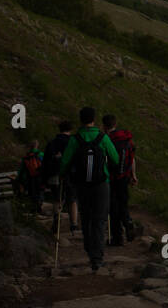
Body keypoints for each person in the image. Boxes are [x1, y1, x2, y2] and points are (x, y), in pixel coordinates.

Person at [58, 106, 119, 273]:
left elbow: (65, 162)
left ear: (80, 120)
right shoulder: (103, 137)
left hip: (82, 184)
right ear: (94, 119)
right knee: (99, 220)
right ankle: (97, 259)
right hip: (101, 184)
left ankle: (88, 249)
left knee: (86, 218)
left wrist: (62, 174)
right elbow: (115, 159)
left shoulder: (75, 139)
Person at [103, 114, 137, 246]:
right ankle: (128, 222)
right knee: (123, 203)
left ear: (104, 126)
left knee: (112, 207)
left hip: (110, 178)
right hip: (124, 177)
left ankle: (117, 237)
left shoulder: (106, 139)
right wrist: (133, 175)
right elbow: (132, 157)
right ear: (115, 124)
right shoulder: (127, 139)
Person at [41, 121, 78, 234]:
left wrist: (44, 178)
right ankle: (74, 224)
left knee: (57, 199)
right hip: (70, 174)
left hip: (54, 175)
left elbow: (45, 161)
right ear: (70, 129)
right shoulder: (73, 142)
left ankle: (56, 221)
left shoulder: (52, 143)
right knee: (72, 200)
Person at [19, 141, 44, 215]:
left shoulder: (26, 157)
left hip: (30, 178)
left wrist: (19, 178)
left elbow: (22, 170)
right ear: (37, 146)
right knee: (40, 192)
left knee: (32, 193)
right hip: (40, 177)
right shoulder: (41, 154)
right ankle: (39, 208)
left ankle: (34, 209)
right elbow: (45, 165)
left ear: (30, 146)